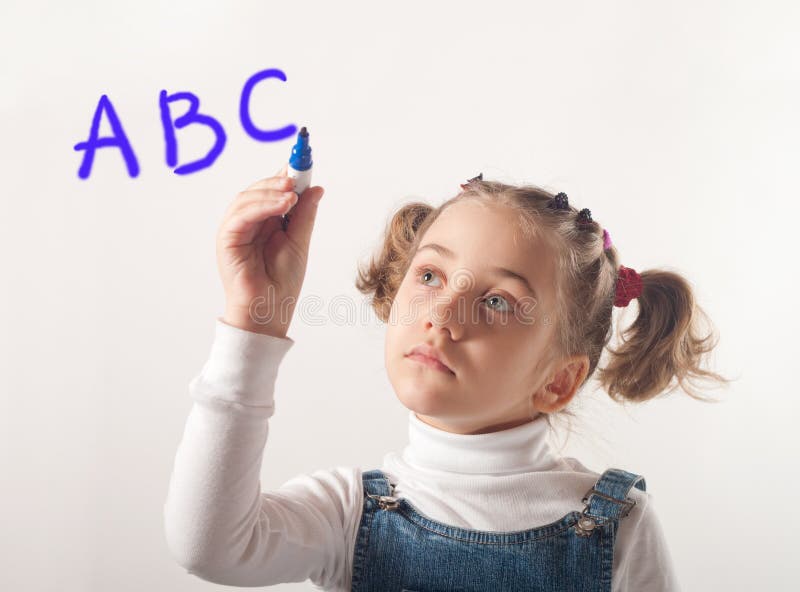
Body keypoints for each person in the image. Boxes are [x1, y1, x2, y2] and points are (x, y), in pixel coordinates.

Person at [163, 166, 729, 591]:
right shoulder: (348, 513)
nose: (442, 314)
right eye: (431, 275)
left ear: (559, 380)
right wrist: (253, 322)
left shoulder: (618, 526)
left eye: (498, 301)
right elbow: (210, 547)